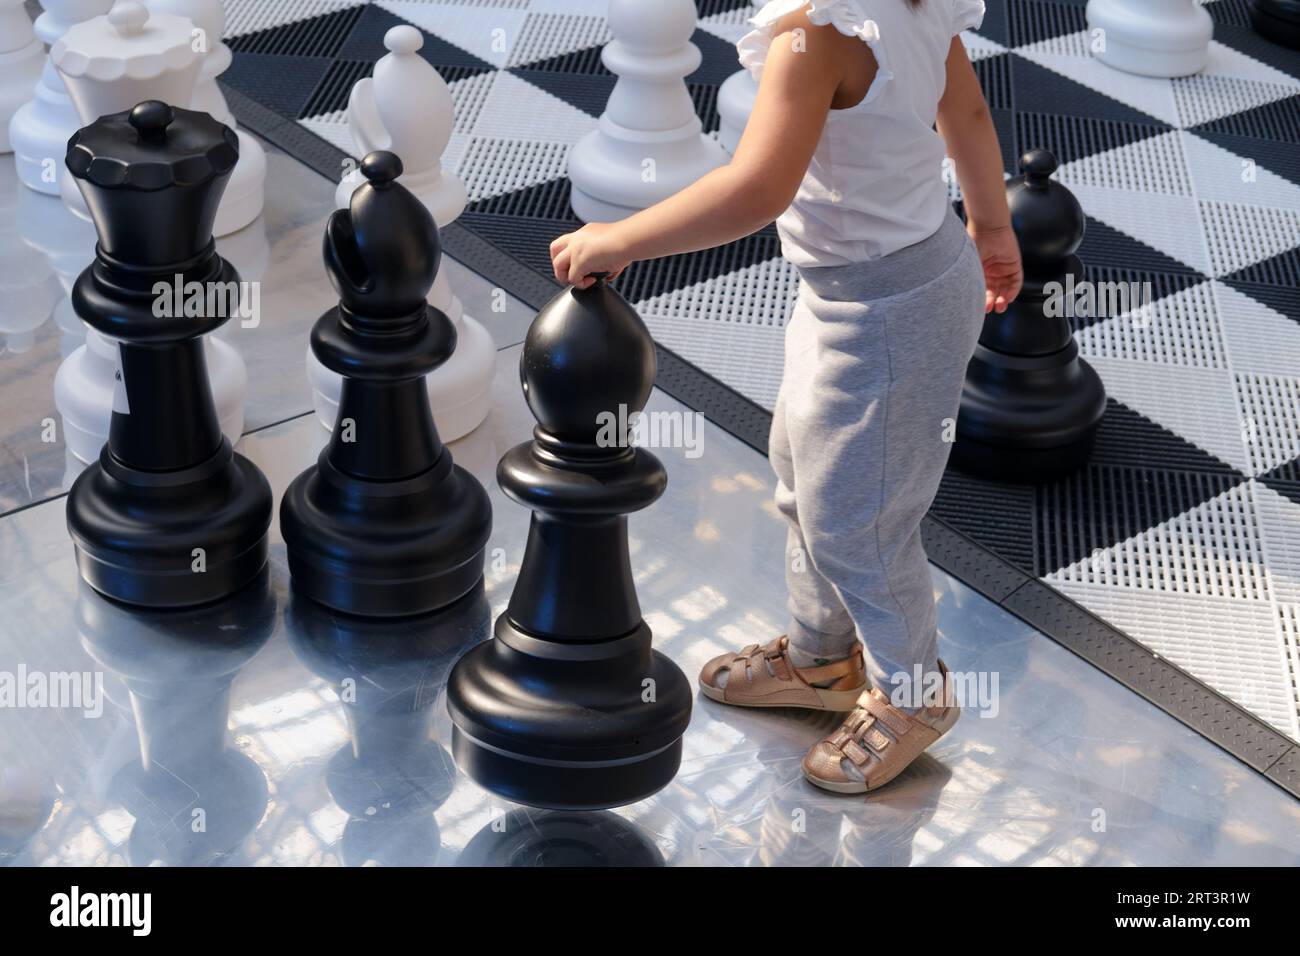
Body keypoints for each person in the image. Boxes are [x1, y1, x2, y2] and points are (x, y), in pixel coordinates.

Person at [549, 0, 1022, 794]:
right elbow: (966, 109)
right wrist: (992, 227)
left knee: (857, 521)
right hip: (859, 289)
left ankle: (914, 693)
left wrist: (621, 238)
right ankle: (821, 660)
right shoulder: (896, 7)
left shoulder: (822, 33)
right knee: (802, 476)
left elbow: (756, 190)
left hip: (891, 308)